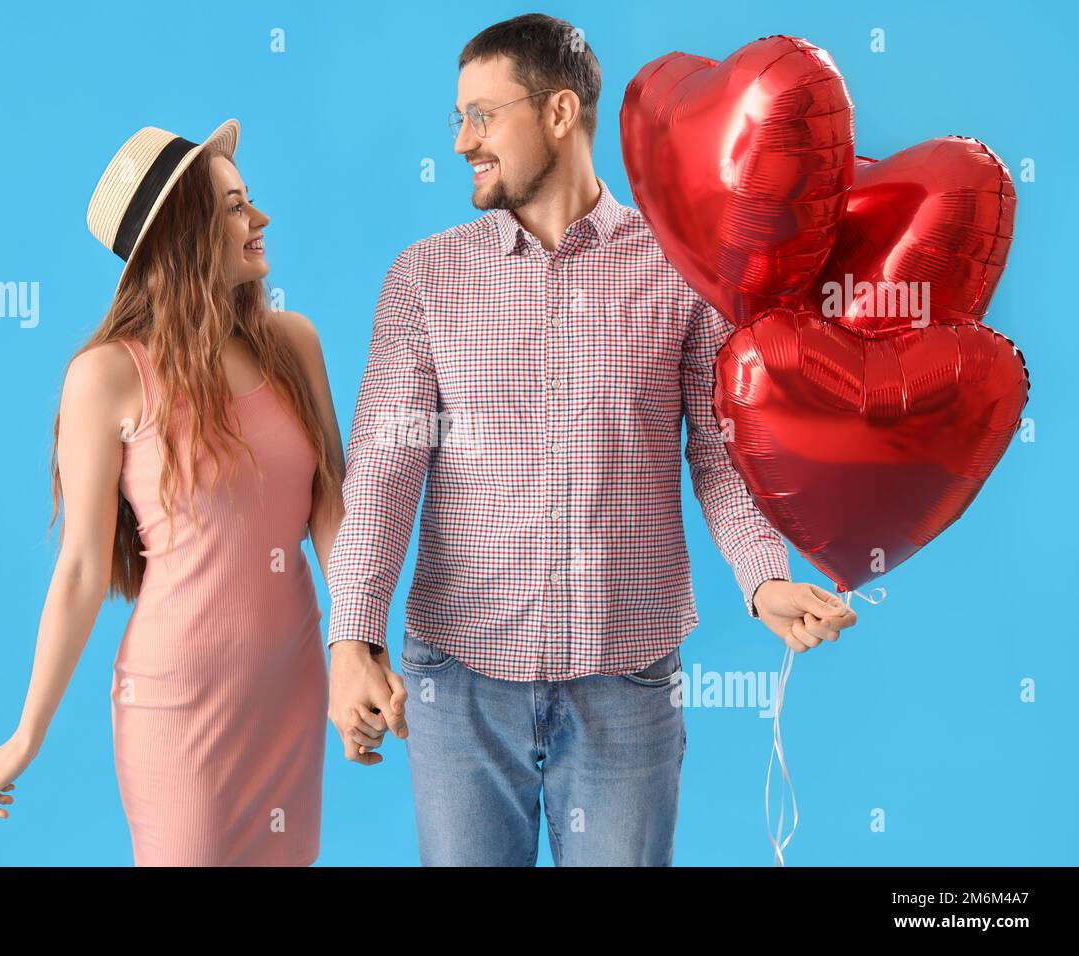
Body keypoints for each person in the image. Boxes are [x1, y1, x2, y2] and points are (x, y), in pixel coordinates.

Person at [324, 14, 858, 866]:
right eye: (457, 119)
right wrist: (352, 638)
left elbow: (719, 459)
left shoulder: (682, 270)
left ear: (561, 113)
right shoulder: (423, 277)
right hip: (459, 679)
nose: (463, 141)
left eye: (482, 116)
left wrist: (764, 580)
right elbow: (385, 470)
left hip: (627, 682)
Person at [0, 120, 345, 866]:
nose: (258, 218)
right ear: (184, 234)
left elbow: (331, 505)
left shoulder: (294, 343)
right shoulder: (105, 378)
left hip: (290, 686)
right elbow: (79, 570)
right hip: (175, 706)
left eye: (250, 200)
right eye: (234, 207)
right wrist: (25, 736)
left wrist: (358, 645)